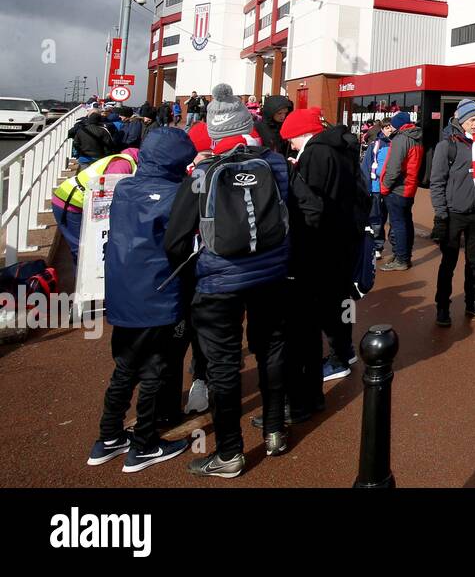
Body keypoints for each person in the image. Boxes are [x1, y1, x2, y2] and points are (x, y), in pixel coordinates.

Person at [164, 87, 293, 478]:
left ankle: (230, 453)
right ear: (249, 125)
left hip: (218, 283)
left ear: (215, 134)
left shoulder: (203, 171)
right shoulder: (277, 164)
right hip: (271, 275)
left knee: (222, 364)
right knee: (272, 349)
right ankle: (274, 432)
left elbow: (176, 238)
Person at [87, 127, 197, 473]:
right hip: (158, 293)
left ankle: (108, 436)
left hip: (123, 293)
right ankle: (145, 443)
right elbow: (181, 245)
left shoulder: (125, 188)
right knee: (155, 370)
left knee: (124, 367)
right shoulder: (178, 194)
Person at [282, 107, 366, 393]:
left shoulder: (316, 153)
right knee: (342, 298)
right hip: (346, 233)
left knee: (325, 301)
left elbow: (313, 203)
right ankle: (346, 349)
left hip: (325, 238)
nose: (290, 143)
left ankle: (338, 357)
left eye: (291, 138)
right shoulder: (341, 148)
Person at [430, 99, 475, 327]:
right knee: (448, 263)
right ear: (461, 120)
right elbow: (437, 182)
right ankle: (442, 306)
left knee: (474, 263)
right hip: (453, 214)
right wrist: (441, 214)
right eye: (472, 119)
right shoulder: (447, 145)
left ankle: (472, 302)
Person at [51, 147, 139, 258]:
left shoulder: (122, 160)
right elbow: (113, 191)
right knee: (80, 248)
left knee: (83, 246)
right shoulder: (124, 164)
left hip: (72, 199)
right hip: (69, 202)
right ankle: (83, 274)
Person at [378, 111, 423, 272]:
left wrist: (384, 187)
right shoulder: (415, 138)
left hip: (398, 188)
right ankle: (403, 255)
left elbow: (393, 168)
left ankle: (401, 258)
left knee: (398, 224)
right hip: (408, 187)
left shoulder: (401, 139)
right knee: (405, 222)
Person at [361, 118, 393, 269]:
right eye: (386, 128)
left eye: (390, 127)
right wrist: (366, 187)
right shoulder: (376, 145)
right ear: (382, 129)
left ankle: (383, 244)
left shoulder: (396, 144)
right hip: (375, 188)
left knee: (386, 217)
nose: (389, 130)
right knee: (375, 218)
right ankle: (377, 246)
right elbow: (366, 166)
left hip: (389, 188)